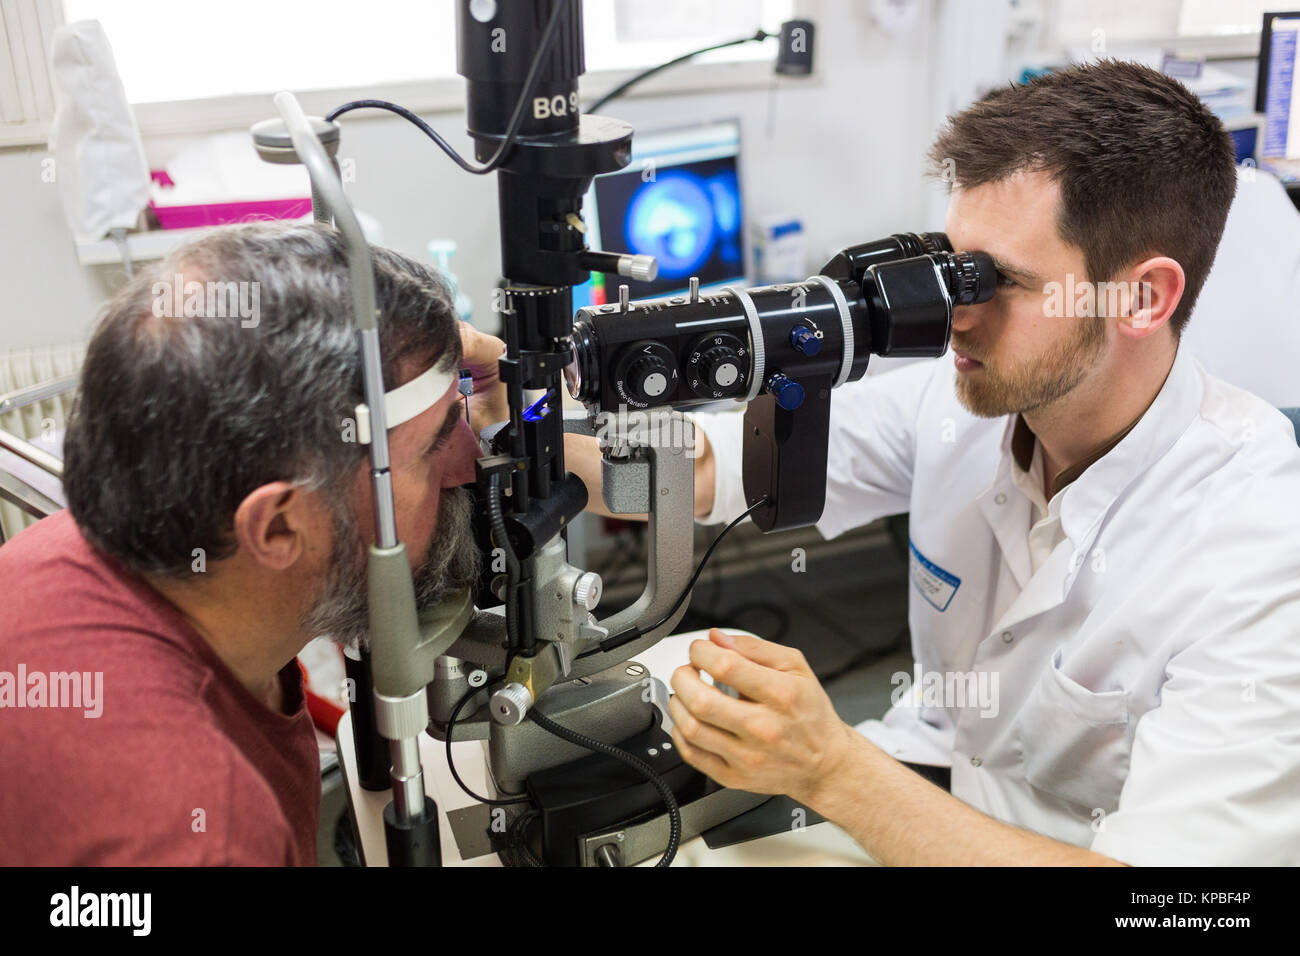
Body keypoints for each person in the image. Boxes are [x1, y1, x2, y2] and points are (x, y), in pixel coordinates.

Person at [562, 60, 1300, 864]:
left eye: (1000, 281)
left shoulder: (1262, 554)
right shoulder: (961, 401)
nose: (956, 317)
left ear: (1141, 298)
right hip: (931, 780)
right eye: (953, 269)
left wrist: (833, 769)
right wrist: (516, 422)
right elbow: (697, 468)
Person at [0, 222, 504, 864]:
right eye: (434, 446)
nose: (472, 462)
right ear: (277, 528)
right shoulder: (201, 833)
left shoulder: (98, 551)